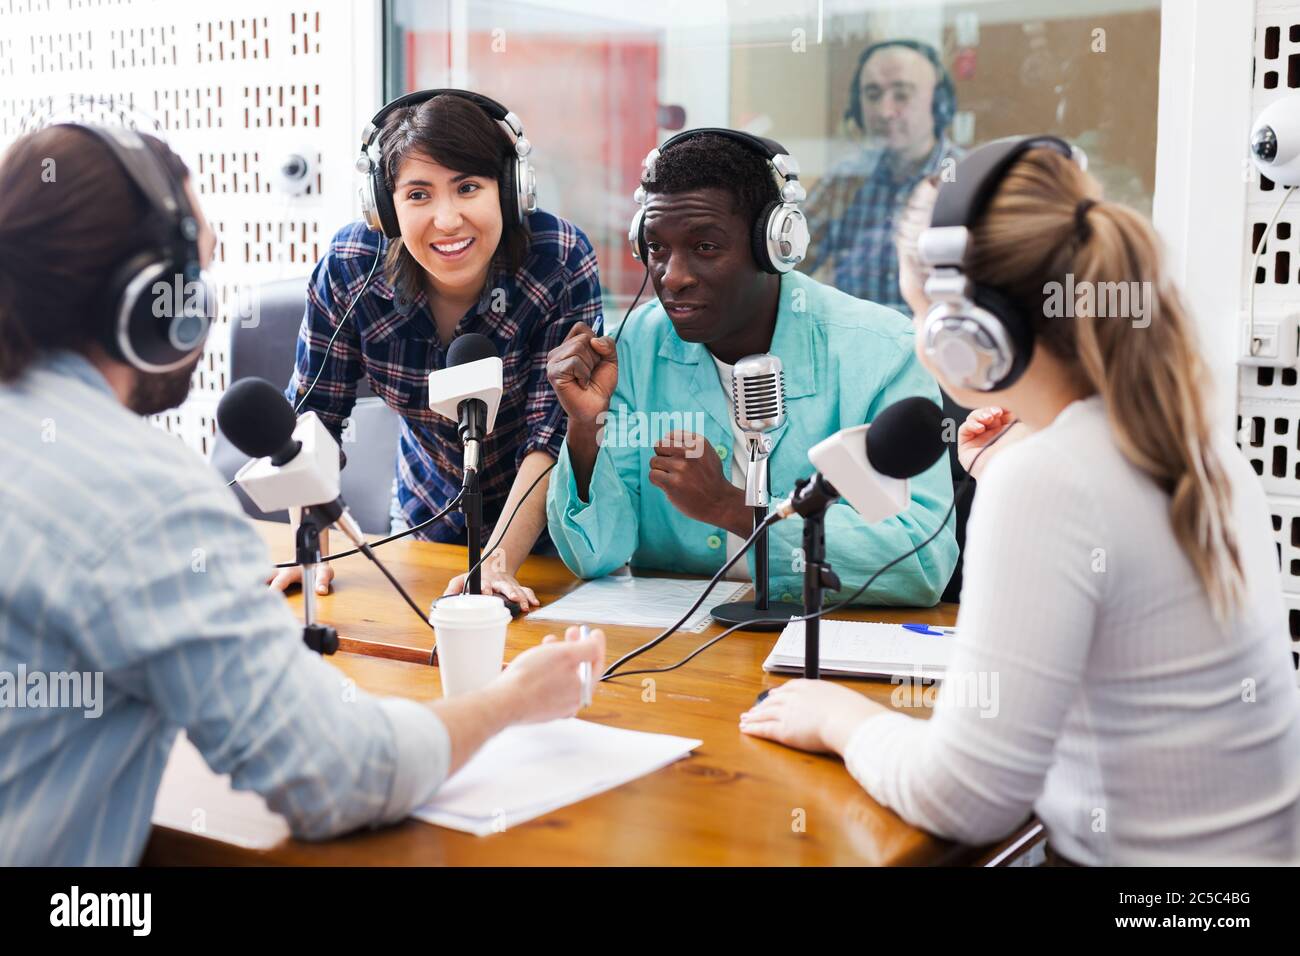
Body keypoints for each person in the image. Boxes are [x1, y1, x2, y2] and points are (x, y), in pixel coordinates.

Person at [0, 124, 606, 865]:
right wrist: (513, 700)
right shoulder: (142, 498)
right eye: (198, 275)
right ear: (155, 302)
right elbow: (341, 774)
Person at [740, 137, 1300, 864]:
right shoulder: (1190, 439)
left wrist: (841, 719)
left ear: (964, 332)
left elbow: (965, 798)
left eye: (918, 314)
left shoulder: (1048, 480)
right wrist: (1017, 460)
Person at [545, 130, 957, 607]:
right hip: (682, 655)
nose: (672, 276)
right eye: (656, 249)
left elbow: (922, 563)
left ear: (775, 246)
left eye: (705, 247)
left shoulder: (881, 353)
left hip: (824, 644)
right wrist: (583, 428)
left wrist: (732, 508)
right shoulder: (632, 349)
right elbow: (594, 555)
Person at [275, 90, 603, 610]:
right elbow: (312, 418)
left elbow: (552, 432)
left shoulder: (558, 259)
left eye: (468, 187)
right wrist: (306, 542)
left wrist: (496, 563)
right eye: (419, 195)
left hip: (547, 534)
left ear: (511, 190)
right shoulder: (350, 267)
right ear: (385, 207)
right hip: (426, 515)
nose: (447, 220)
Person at [800, 39, 964, 311]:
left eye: (902, 95)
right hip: (852, 347)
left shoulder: (969, 179)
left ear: (939, 104)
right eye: (873, 95)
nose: (885, 111)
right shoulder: (844, 179)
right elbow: (784, 262)